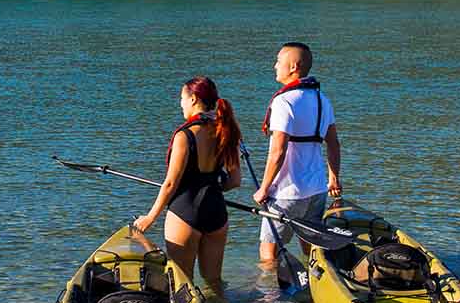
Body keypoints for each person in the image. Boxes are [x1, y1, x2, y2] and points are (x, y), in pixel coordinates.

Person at [131, 76, 241, 284]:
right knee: (214, 282)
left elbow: (170, 184)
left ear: (193, 99)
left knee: (182, 283)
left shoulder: (185, 135)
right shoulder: (226, 131)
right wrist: (211, 187)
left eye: (182, 98)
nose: (180, 103)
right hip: (216, 212)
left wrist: (150, 218)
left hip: (185, 213)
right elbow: (235, 180)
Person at [253, 41, 342, 268]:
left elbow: (278, 151)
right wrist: (334, 178)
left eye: (278, 61)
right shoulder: (323, 100)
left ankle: (269, 290)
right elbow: (333, 144)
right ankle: (316, 283)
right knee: (311, 250)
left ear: (293, 66)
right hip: (317, 190)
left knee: (269, 254)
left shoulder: (284, 101)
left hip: (287, 192)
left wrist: (264, 188)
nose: (275, 66)